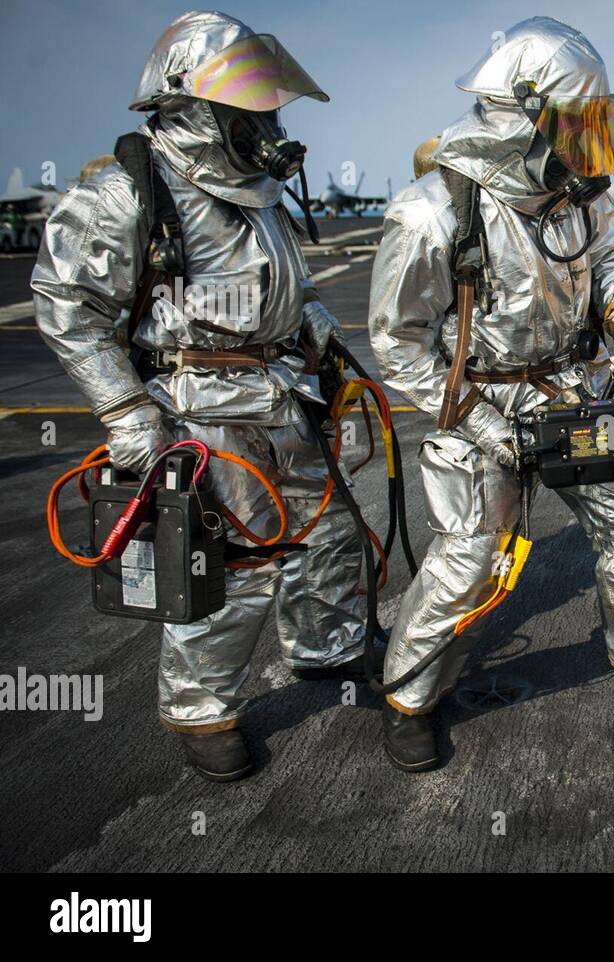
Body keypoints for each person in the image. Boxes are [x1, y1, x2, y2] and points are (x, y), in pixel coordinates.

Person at [368, 17, 614, 773]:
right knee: (469, 556)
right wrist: (478, 422)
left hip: (573, 390)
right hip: (476, 405)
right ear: (522, 118)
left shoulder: (582, 196)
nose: (589, 141)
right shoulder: (432, 209)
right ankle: (411, 696)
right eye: (575, 123)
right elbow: (398, 342)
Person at [31, 11, 368, 782]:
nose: (264, 116)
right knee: (231, 566)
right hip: (200, 410)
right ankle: (203, 708)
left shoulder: (257, 189)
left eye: (266, 100)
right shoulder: (126, 191)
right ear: (188, 100)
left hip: (284, 395)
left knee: (327, 534)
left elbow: (291, 286)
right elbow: (66, 306)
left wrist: (314, 330)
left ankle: (329, 648)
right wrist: (124, 408)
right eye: (246, 99)